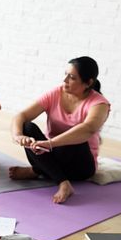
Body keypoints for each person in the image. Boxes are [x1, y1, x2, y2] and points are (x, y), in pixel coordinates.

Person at [8, 56, 110, 204]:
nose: (65, 80)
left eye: (72, 77)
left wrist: (50, 143)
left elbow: (88, 129)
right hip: (52, 153)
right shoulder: (56, 93)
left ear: (88, 83)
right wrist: (18, 135)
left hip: (80, 165)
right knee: (27, 127)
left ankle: (41, 172)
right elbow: (21, 116)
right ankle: (53, 176)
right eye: (65, 74)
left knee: (77, 135)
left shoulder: (99, 104)